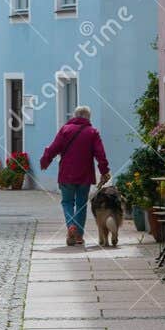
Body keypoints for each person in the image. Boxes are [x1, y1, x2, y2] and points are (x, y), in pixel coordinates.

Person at [40, 105, 109, 247]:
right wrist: (104, 171)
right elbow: (100, 155)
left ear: (74, 116)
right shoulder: (92, 132)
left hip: (66, 174)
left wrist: (45, 162)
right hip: (85, 175)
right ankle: (78, 235)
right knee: (81, 204)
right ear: (88, 117)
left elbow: (53, 148)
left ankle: (70, 225)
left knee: (67, 202)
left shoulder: (65, 130)